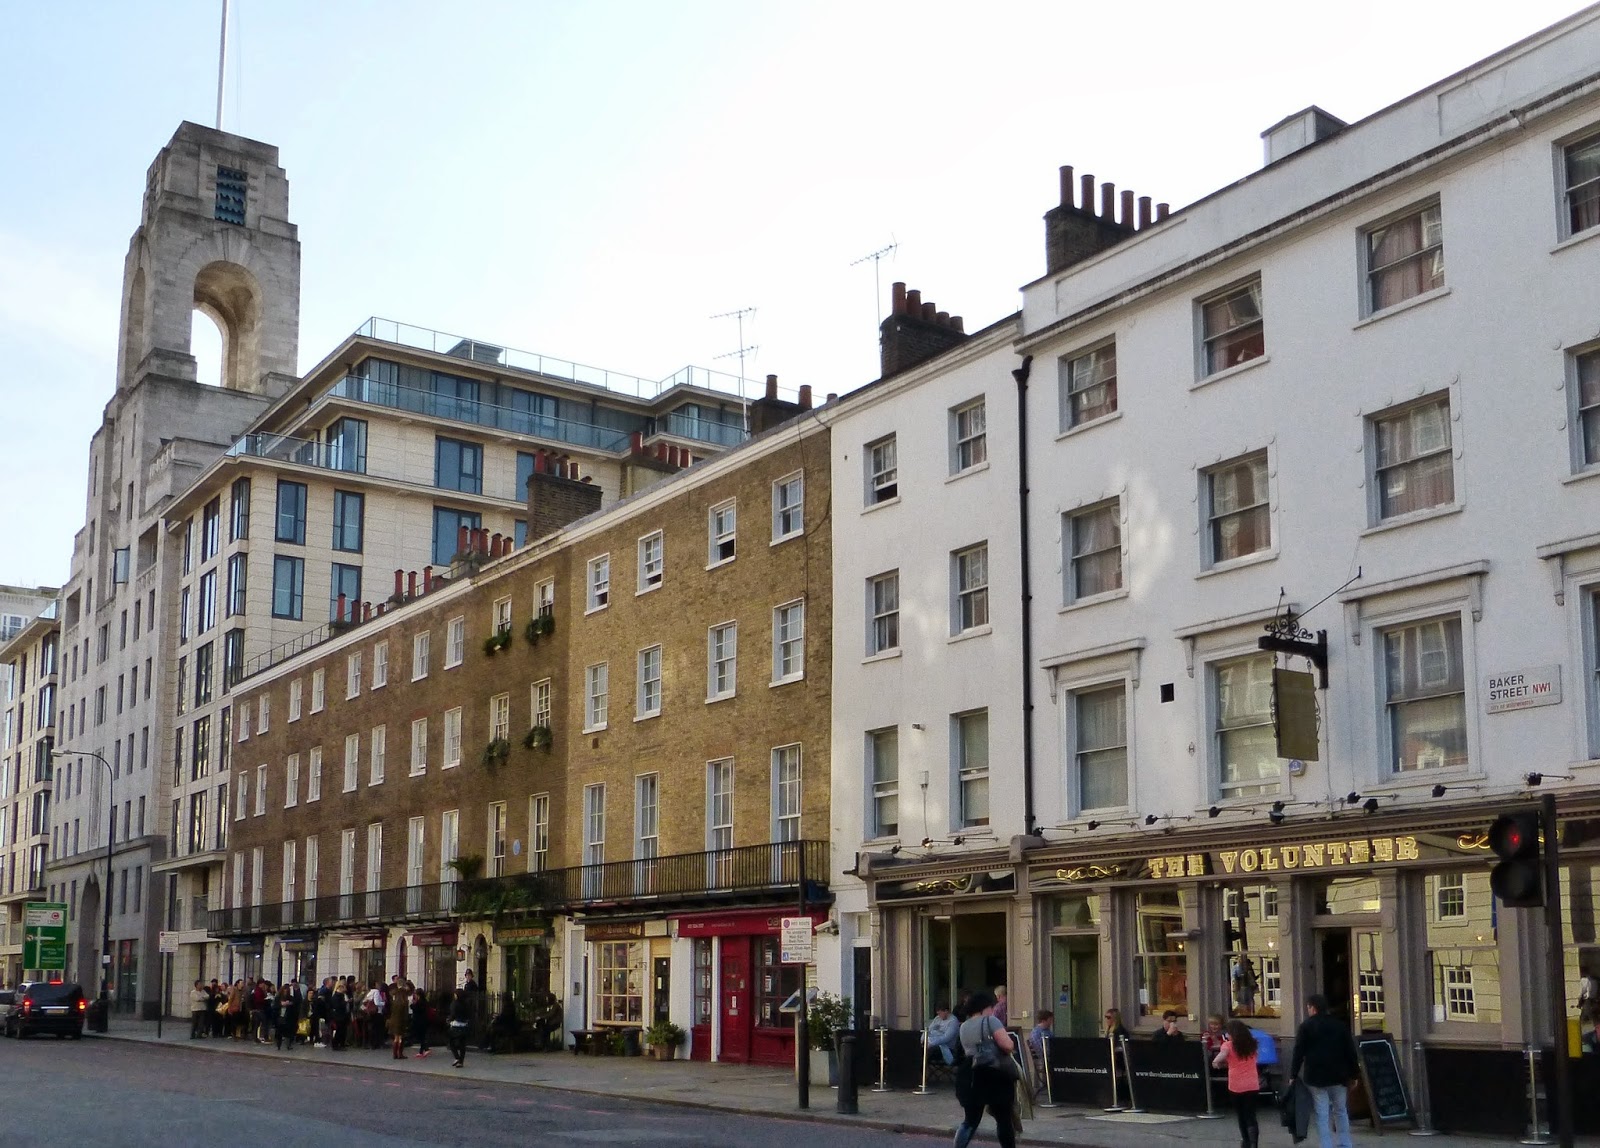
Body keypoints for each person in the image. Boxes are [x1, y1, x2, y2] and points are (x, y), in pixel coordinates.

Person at [1290, 994, 1360, 1148]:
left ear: (1313, 1008)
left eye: (1308, 1007)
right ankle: (1345, 1143)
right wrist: (1354, 1074)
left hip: (1316, 1076)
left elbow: (1298, 1052)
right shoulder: (1340, 1025)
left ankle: (1326, 1144)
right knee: (1340, 1110)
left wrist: (1293, 1074)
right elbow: (1350, 1052)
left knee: (1322, 1113)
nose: (1308, 1010)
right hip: (1339, 1075)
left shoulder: (1306, 1026)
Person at [953, 990, 1017, 1148]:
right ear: (984, 1007)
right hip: (993, 1073)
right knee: (1003, 1118)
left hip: (970, 1074)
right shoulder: (991, 1021)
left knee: (970, 1120)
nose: (992, 1010)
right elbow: (1007, 1045)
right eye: (990, 1006)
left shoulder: (964, 1026)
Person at [1213, 1020, 1261, 1148]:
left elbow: (1221, 1056)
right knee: (1251, 1115)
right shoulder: (1252, 1044)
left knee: (1241, 1115)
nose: (1227, 1035)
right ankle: (1254, 1143)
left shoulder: (1228, 1045)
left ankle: (1245, 1141)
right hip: (1252, 1083)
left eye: (1228, 1033)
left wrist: (1216, 1062)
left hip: (1236, 1085)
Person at [448, 988, 473, 1068]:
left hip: (456, 1025)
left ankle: (457, 1057)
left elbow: (453, 1014)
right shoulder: (466, 1004)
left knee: (451, 1041)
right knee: (462, 1044)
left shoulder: (454, 1003)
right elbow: (469, 1014)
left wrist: (449, 1020)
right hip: (464, 1025)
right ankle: (461, 1061)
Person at [389, 977, 411, 1059]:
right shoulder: (403, 996)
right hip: (401, 1019)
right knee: (400, 1037)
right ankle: (400, 1053)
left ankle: (395, 1053)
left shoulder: (394, 994)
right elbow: (410, 989)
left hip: (394, 1018)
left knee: (396, 1037)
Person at [411, 986, 431, 1058]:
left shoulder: (419, 1002)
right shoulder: (424, 1001)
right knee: (422, 1036)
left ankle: (426, 1049)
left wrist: (413, 1004)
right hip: (424, 1021)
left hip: (419, 1021)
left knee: (420, 1036)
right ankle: (422, 1051)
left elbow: (416, 1009)